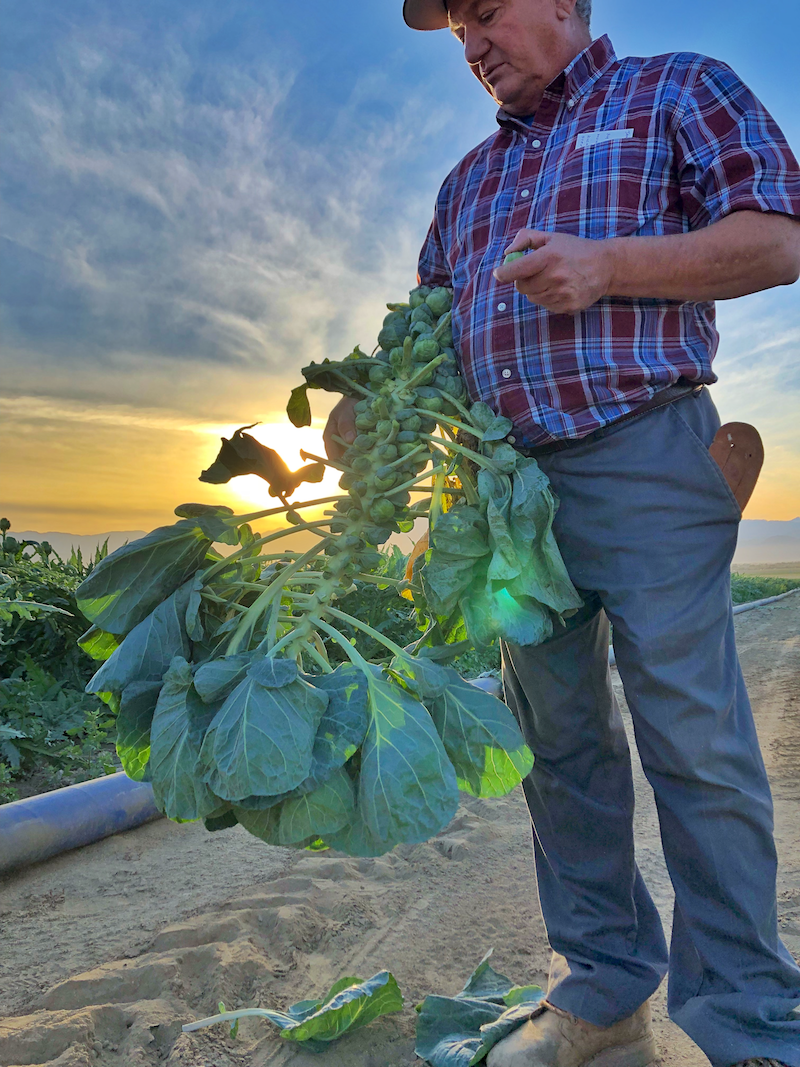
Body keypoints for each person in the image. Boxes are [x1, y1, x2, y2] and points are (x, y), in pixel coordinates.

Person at [324, 2, 800, 1065]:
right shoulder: (464, 186)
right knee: (560, 748)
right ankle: (598, 988)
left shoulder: (676, 89)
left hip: (640, 451)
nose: (472, 45)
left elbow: (776, 239)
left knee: (695, 737)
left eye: (484, 12)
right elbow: (429, 338)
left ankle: (748, 1020)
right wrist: (370, 401)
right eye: (456, 36)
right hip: (502, 490)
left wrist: (608, 266)